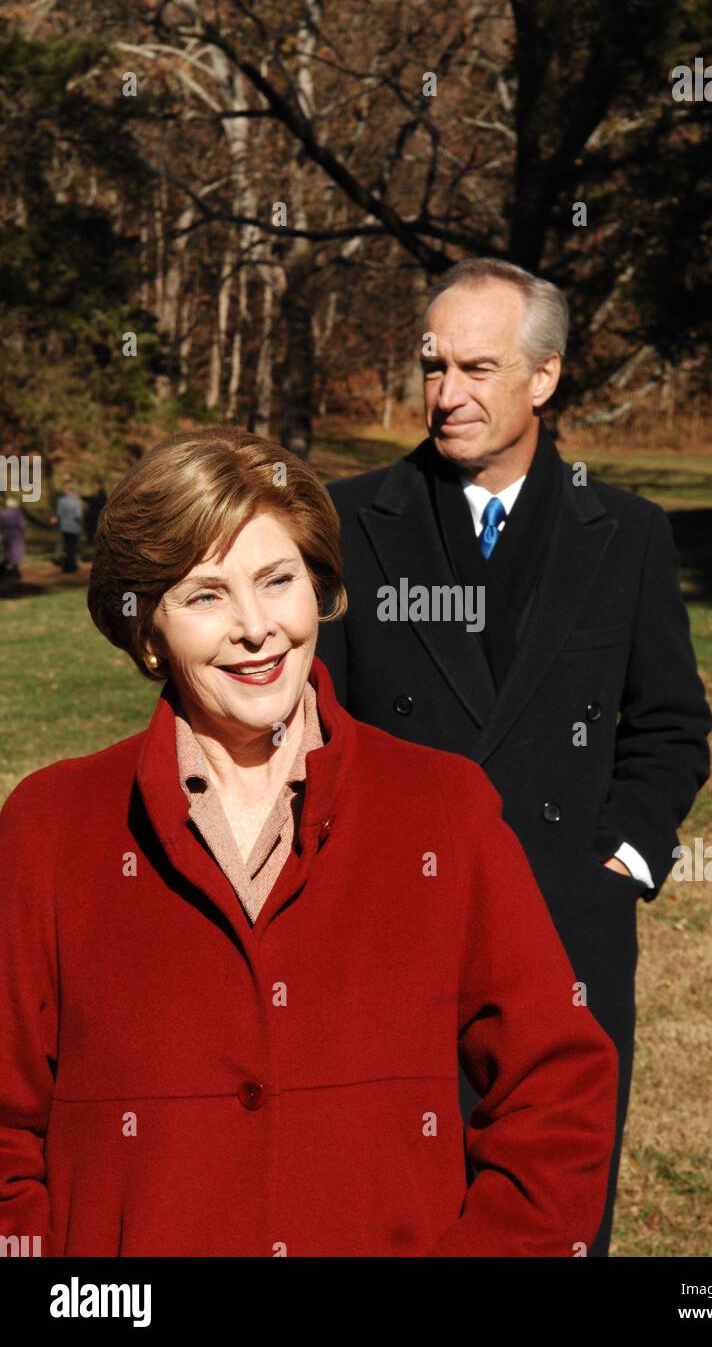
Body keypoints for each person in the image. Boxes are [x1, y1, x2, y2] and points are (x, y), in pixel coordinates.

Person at [0, 426, 618, 1258]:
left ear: (320, 589)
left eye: (277, 580)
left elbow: (558, 1088)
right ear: (147, 633)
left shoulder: (442, 808)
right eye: (205, 595)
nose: (255, 628)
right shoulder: (51, 825)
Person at [316, 257, 712, 1256]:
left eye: (477, 368)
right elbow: (310, 724)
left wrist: (617, 863)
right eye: (432, 365)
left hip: (563, 937)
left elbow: (668, 723)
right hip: (386, 936)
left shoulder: (625, 533)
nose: (445, 395)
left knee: (556, 1215)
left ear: (543, 379)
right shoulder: (344, 521)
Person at [49, 478, 84, 572]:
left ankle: (66, 566)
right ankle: (72, 566)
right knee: (72, 547)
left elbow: (59, 514)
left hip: (64, 527)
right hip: (74, 527)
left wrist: (55, 520)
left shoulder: (61, 501)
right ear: (73, 491)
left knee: (66, 547)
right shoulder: (77, 502)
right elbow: (78, 515)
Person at [0, 496, 26, 579]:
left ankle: (3, 569)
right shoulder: (17, 514)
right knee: (16, 553)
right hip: (16, 535)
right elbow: (22, 525)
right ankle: (15, 571)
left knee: (8, 551)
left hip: (6, 534)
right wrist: (23, 533)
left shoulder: (3, 513)